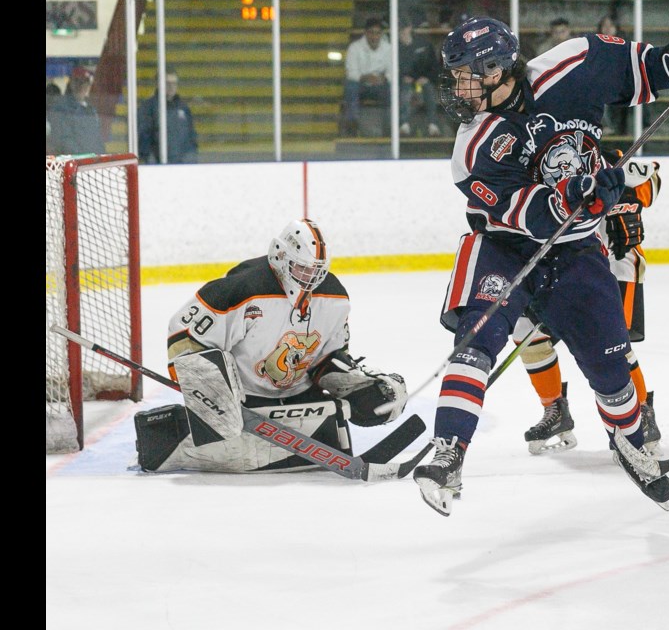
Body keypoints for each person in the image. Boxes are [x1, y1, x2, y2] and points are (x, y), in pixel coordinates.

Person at [411, 16, 669, 515]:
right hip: (502, 246)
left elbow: (642, 70)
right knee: (477, 340)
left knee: (611, 367)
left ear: (499, 69)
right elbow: (533, 216)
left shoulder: (574, 63)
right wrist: (577, 198)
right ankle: (448, 451)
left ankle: (629, 439)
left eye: (468, 75)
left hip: (579, 252)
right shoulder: (473, 145)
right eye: (455, 75)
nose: (460, 87)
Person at [133, 219, 409, 473]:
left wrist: (357, 386)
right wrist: (209, 389)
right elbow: (184, 334)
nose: (310, 278)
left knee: (382, 394)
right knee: (214, 412)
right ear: (280, 256)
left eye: (317, 271)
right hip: (244, 400)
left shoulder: (334, 298)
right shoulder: (244, 289)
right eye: (302, 268)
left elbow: (331, 357)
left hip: (299, 395)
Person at [514, 152, 663, 457]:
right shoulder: (534, 157)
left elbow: (653, 177)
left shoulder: (608, 156)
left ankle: (641, 413)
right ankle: (555, 410)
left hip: (614, 266)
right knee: (526, 330)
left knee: (615, 346)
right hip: (558, 267)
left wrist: (627, 200)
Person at [342, 17, 392, 137]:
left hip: (380, 85)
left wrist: (383, 79)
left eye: (377, 33)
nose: (374, 36)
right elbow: (351, 73)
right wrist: (365, 78)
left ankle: (389, 126)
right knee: (350, 86)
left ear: (381, 34)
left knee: (392, 90)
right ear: (365, 33)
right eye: (371, 33)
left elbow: (393, 71)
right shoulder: (354, 47)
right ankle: (352, 124)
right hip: (360, 85)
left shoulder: (388, 48)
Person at [138, 68, 199, 164]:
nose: (171, 87)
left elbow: (190, 137)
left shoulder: (183, 108)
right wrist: (151, 163)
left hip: (183, 166)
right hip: (159, 166)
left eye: (174, 83)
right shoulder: (148, 108)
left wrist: (190, 160)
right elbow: (144, 139)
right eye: (167, 83)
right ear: (158, 84)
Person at [398, 15, 442, 137]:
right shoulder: (394, 48)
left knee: (428, 87)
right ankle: (404, 124)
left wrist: (426, 77)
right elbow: (393, 69)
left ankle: (433, 125)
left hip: (422, 82)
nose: (401, 32)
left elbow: (434, 67)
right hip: (404, 84)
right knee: (406, 89)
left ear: (409, 28)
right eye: (399, 29)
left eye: (403, 28)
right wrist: (403, 77)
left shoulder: (423, 44)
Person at [47, 66, 106, 156]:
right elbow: (63, 141)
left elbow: (97, 139)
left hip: (93, 163)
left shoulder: (91, 109)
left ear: (88, 85)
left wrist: (101, 158)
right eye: (77, 81)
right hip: (75, 163)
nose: (80, 86)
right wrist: (85, 157)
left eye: (84, 82)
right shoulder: (60, 109)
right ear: (71, 84)